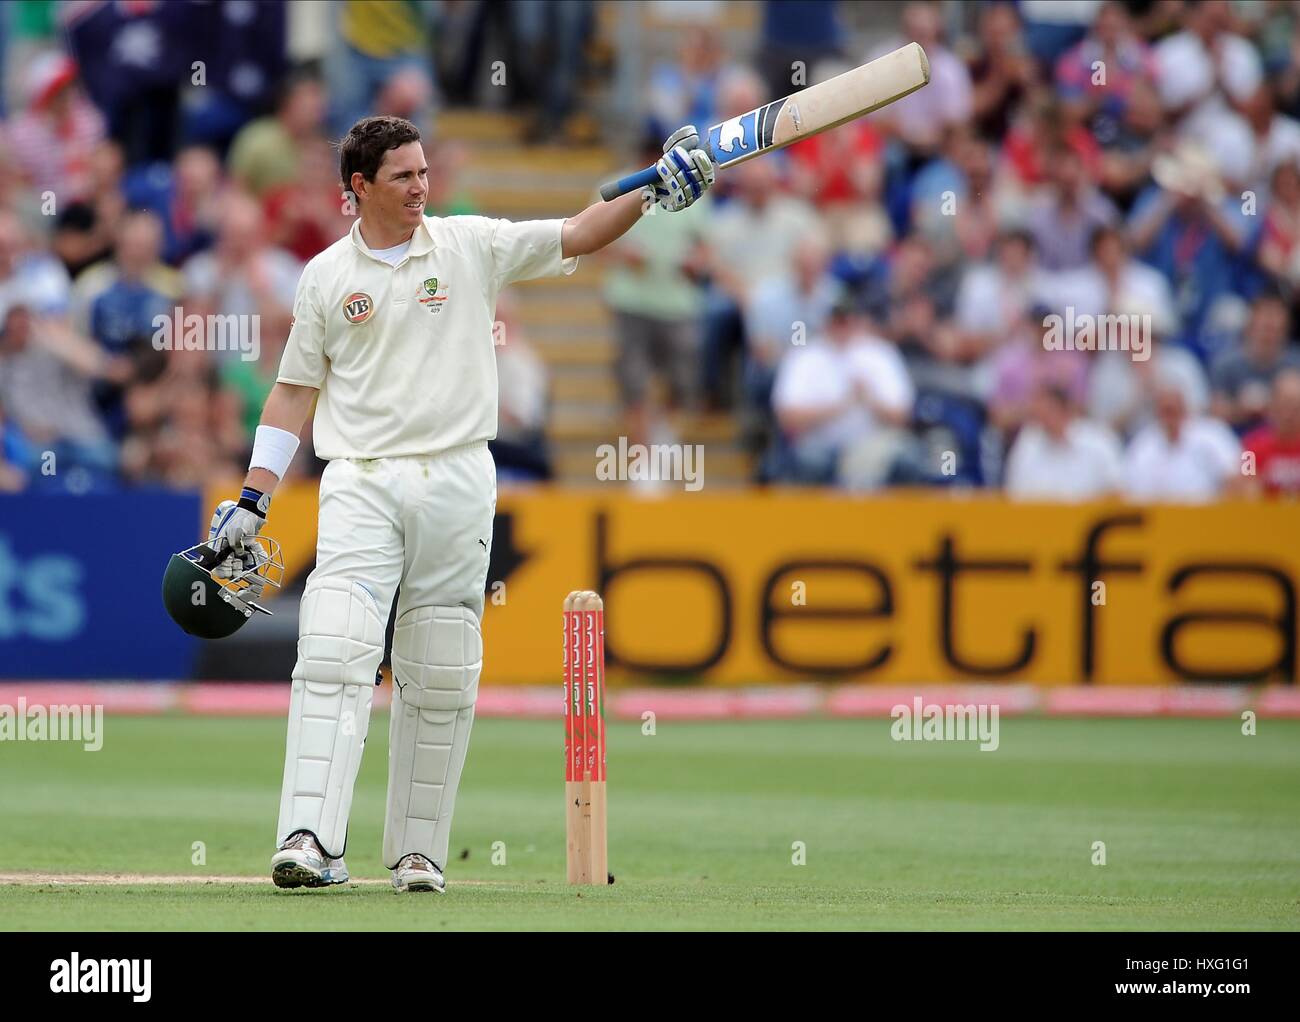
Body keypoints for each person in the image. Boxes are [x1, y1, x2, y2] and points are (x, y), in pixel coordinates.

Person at [205, 115, 714, 894]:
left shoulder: (468, 245)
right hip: (361, 479)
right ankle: (309, 838)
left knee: (440, 669)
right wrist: (252, 498)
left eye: (424, 173)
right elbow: (293, 392)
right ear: (359, 189)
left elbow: (578, 232)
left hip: (458, 480)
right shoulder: (326, 277)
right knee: (335, 651)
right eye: (403, 176)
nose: (420, 188)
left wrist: (652, 188)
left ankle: (418, 852)